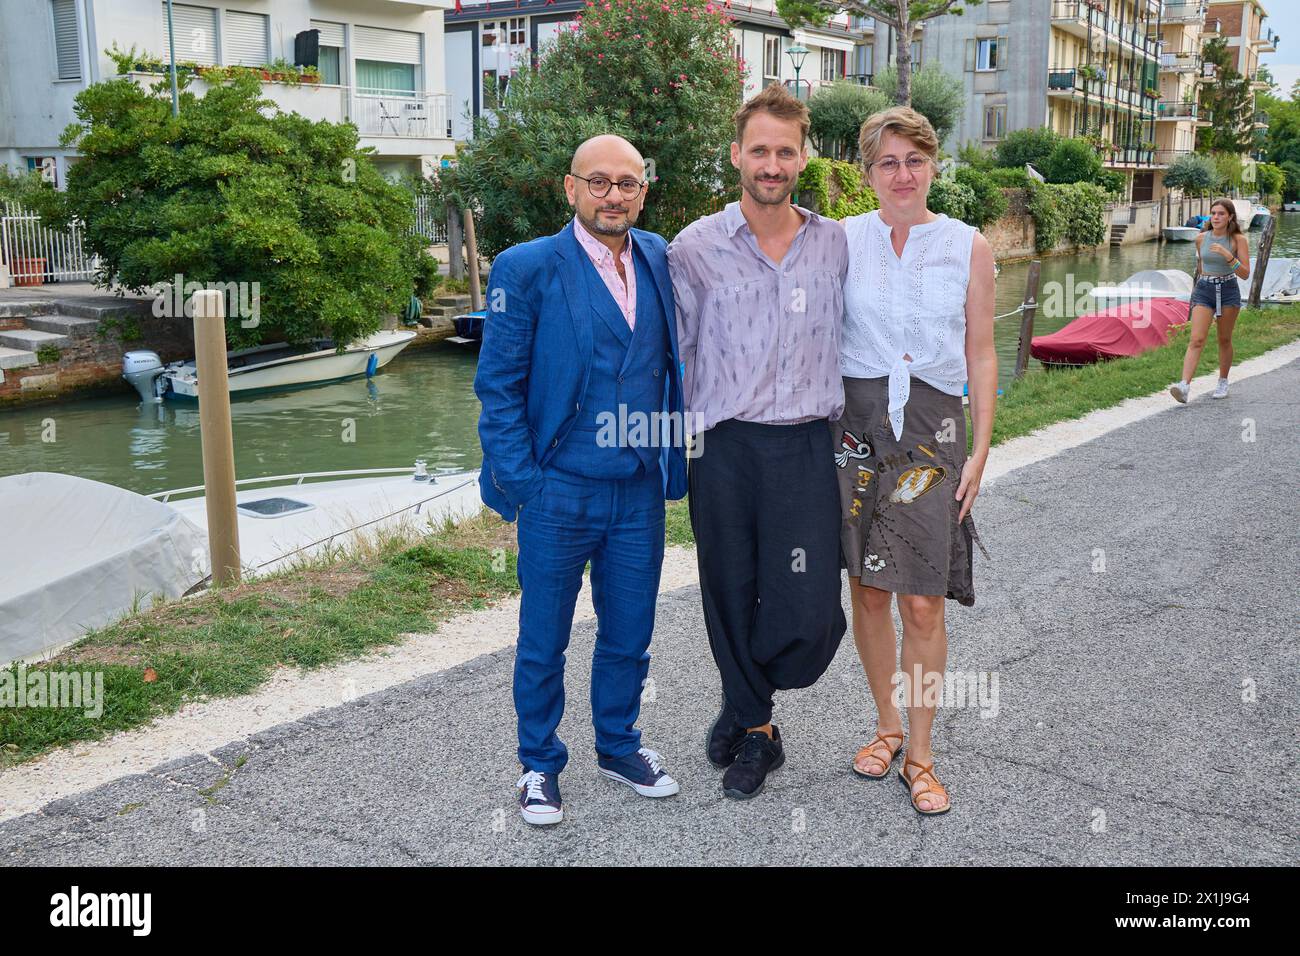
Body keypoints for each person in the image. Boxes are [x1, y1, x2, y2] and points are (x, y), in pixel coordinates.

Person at [474, 134, 689, 826]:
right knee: (544, 637)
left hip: (636, 490)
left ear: (643, 191)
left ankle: (620, 745)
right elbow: (499, 388)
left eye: (627, 183)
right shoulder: (525, 268)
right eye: (598, 182)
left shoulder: (660, 256)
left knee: (630, 631)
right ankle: (539, 764)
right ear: (570, 188)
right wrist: (526, 485)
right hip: (556, 488)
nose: (613, 195)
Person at [668, 84, 849, 800]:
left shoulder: (834, 243)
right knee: (729, 591)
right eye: (759, 150)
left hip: (807, 444)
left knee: (807, 608)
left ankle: (748, 694)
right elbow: (676, 353)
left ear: (803, 158)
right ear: (736, 155)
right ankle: (754, 728)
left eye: (785, 150)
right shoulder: (695, 248)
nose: (771, 163)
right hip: (724, 447)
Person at [832, 107, 996, 815]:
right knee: (868, 590)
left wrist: (983, 444)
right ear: (867, 174)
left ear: (933, 167)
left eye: (915, 161)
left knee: (923, 599)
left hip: (934, 428)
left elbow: (981, 353)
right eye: (887, 162)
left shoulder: (968, 246)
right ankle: (886, 726)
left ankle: (921, 756)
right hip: (857, 425)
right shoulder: (840, 241)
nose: (903, 175)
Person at [1171, 198, 1250, 403]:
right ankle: (1184, 386)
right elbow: (1201, 266)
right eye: (1213, 213)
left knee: (1224, 339)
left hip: (1228, 289)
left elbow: (1245, 274)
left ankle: (1223, 381)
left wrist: (1228, 256)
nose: (1216, 217)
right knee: (1197, 339)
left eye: (1221, 213)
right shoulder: (1201, 238)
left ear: (1230, 216)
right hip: (1204, 289)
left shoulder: (1238, 240)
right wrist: (1201, 284)